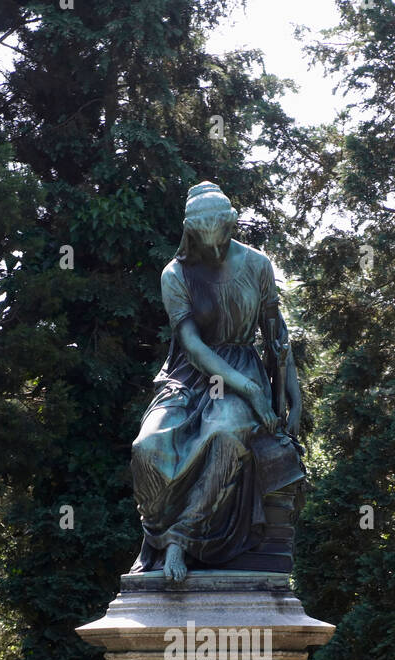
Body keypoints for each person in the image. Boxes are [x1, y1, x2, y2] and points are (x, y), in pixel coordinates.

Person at [130, 181, 304, 582]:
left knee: (226, 433)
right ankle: (159, 539)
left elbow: (276, 335)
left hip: (241, 363)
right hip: (190, 374)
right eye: (202, 241)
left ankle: (180, 540)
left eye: (219, 240)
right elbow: (190, 343)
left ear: (230, 224)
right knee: (149, 446)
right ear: (190, 231)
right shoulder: (175, 273)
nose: (212, 251)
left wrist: (294, 396)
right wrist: (249, 389)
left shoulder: (258, 264)